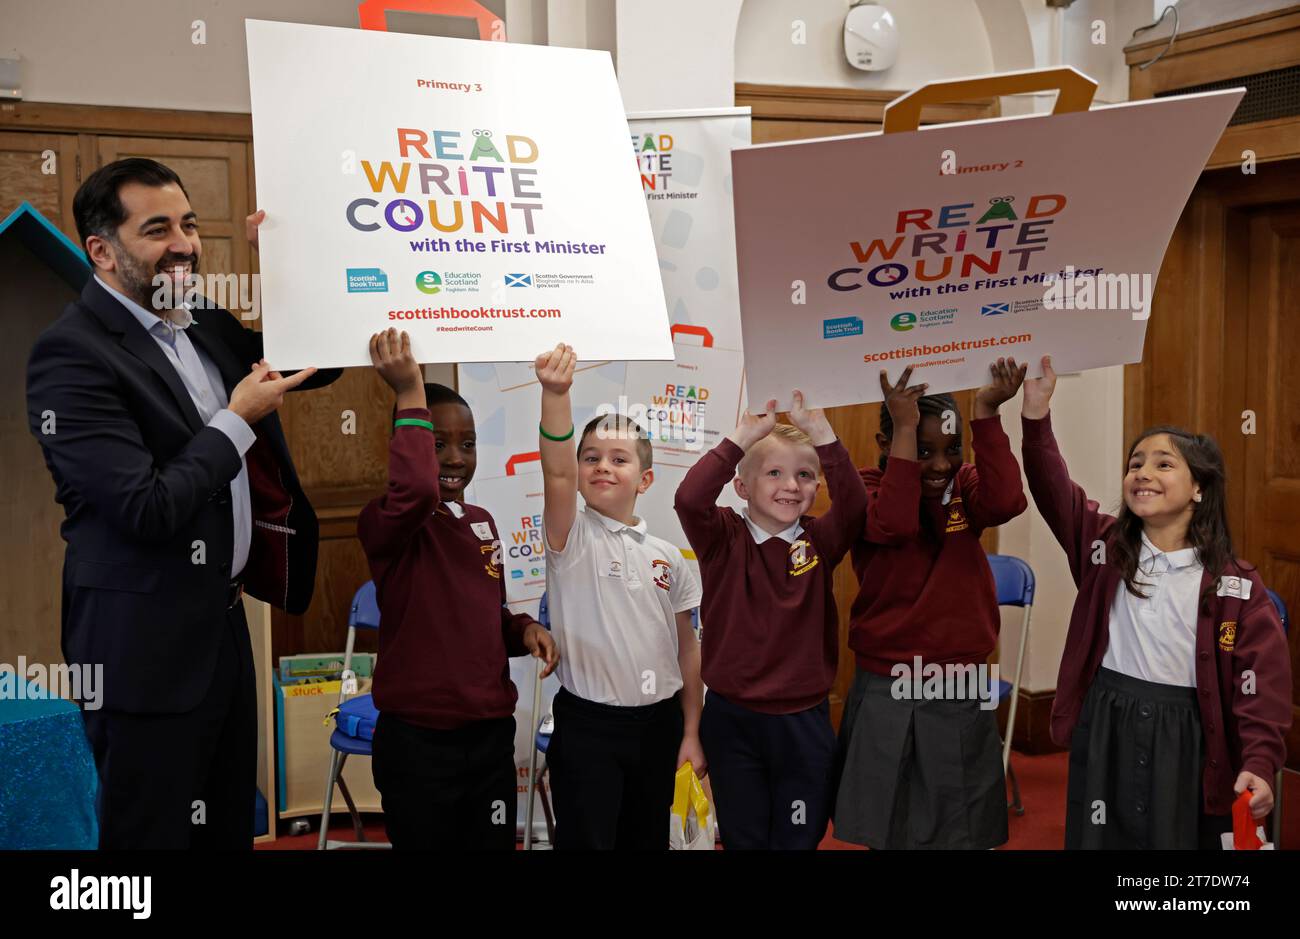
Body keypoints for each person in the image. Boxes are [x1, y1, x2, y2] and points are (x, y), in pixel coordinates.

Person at [25, 157, 338, 848]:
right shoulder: (70, 355)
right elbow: (146, 506)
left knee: (225, 825)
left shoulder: (201, 322)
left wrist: (291, 261)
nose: (184, 244)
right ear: (102, 250)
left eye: (190, 224)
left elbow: (317, 359)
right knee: (152, 838)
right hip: (140, 648)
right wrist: (235, 419)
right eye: (158, 228)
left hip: (223, 624)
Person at [1020, 354, 1291, 848]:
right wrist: (1035, 414)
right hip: (1108, 721)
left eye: (1164, 464)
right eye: (1135, 463)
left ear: (1198, 489)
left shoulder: (1239, 589)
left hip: (1189, 734)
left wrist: (1259, 762)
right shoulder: (1102, 547)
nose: (1143, 472)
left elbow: (1262, 692)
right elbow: (1051, 486)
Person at [358, 328, 556, 849]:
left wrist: (525, 629)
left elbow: (487, 616)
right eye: (437, 444)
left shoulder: (483, 521)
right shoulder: (390, 521)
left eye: (466, 444)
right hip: (418, 741)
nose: (453, 457)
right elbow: (416, 489)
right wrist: (408, 391)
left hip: (487, 737)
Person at [834, 360, 1028, 849]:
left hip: (958, 681)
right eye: (923, 452)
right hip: (887, 681)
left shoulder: (963, 486)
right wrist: (903, 426)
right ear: (888, 446)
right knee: (890, 822)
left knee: (957, 825)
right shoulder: (867, 490)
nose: (940, 464)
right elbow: (896, 524)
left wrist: (985, 413)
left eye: (951, 450)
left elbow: (1006, 501)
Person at [673, 391, 866, 848]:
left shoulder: (820, 540)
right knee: (745, 836)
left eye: (804, 475)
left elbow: (856, 507)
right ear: (742, 487)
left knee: (799, 834)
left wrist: (821, 433)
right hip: (733, 723)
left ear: (817, 486)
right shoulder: (722, 536)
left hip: (802, 723)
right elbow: (688, 498)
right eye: (774, 473)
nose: (791, 485)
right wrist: (743, 437)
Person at [535, 343, 703, 850]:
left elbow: (688, 649)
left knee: (647, 841)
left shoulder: (669, 557)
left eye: (618, 458)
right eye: (591, 457)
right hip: (587, 728)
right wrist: (556, 394)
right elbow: (557, 473)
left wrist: (691, 729)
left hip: (659, 725)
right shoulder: (570, 537)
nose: (601, 466)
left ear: (645, 479)